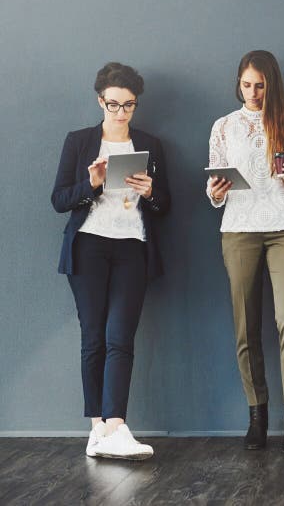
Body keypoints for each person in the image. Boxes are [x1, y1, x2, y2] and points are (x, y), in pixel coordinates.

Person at [51, 62, 171, 460]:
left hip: (131, 246)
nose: (121, 113)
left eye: (129, 105)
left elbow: (164, 204)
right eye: (113, 105)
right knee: (94, 338)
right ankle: (97, 429)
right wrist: (92, 185)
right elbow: (59, 200)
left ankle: (116, 426)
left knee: (121, 337)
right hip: (88, 246)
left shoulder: (150, 144)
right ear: (99, 101)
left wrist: (151, 190)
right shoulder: (80, 141)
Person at [207, 50, 284, 453]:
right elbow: (214, 182)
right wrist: (215, 193)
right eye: (246, 85)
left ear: (272, 84)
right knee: (245, 325)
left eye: (260, 85)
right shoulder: (223, 126)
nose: (252, 93)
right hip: (238, 229)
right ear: (238, 83)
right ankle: (257, 414)